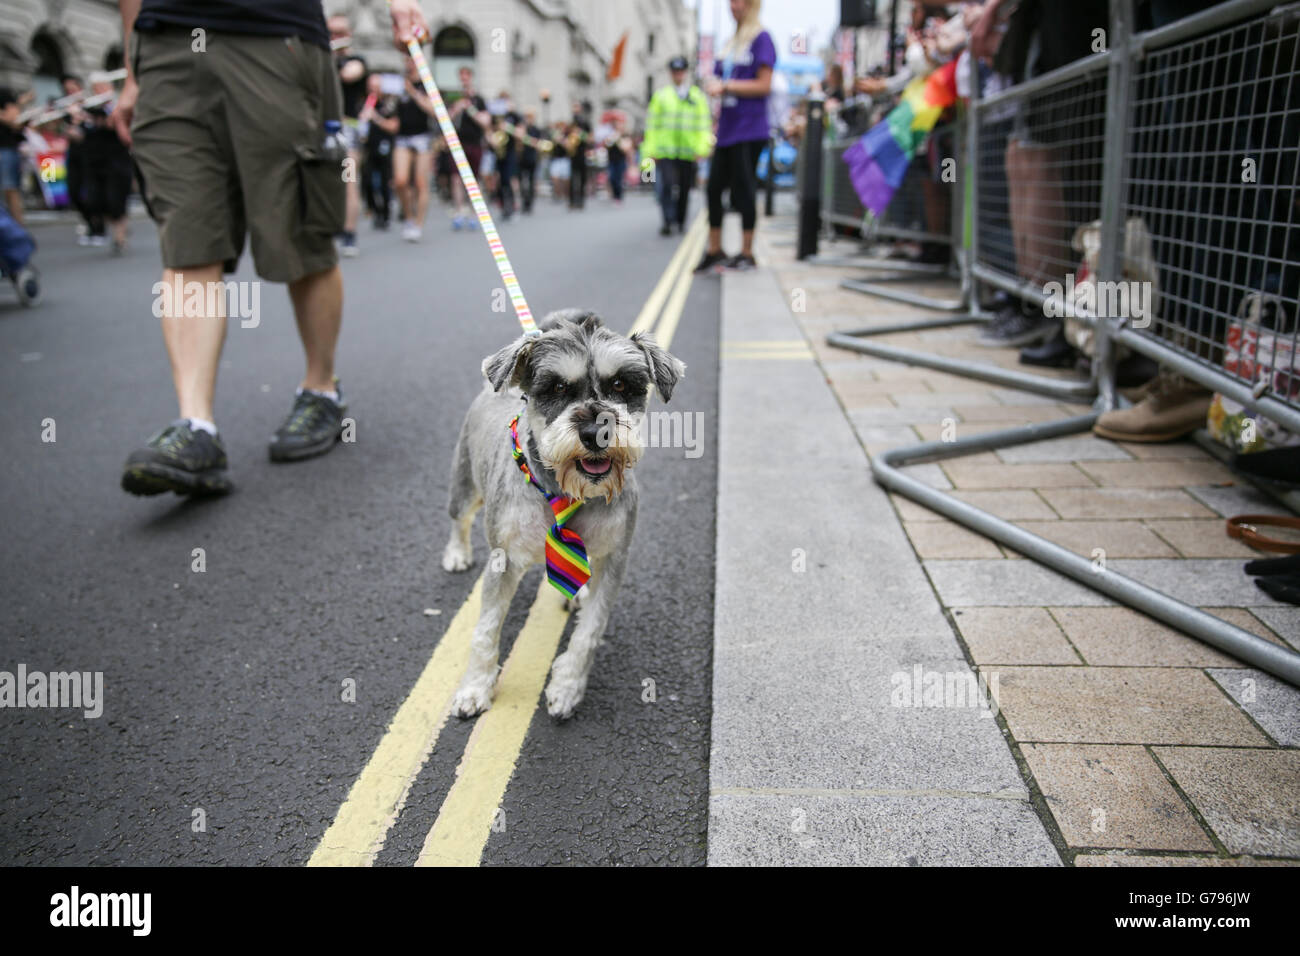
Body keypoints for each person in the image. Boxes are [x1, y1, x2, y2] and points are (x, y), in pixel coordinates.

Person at [113, 0, 429, 497]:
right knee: (187, 241)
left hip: (277, 35)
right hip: (166, 43)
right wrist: (134, 67)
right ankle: (196, 426)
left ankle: (320, 387)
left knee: (302, 234)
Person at [696, 0, 775, 273]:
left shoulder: (761, 38)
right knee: (714, 188)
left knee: (744, 189)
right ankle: (715, 250)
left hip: (750, 128)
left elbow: (764, 85)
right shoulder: (730, 44)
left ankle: (747, 252)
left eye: (739, 1)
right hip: (727, 129)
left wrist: (727, 85)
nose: (733, 6)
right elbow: (717, 79)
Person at [643, 55, 712, 236]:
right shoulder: (661, 96)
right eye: (675, 71)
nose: (678, 75)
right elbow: (652, 126)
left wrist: (702, 148)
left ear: (685, 73)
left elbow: (704, 125)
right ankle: (667, 221)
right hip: (665, 151)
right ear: (670, 73)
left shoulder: (697, 96)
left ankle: (680, 221)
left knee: (684, 189)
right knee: (665, 186)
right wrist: (651, 150)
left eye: (681, 71)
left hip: (688, 152)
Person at [328, 13, 367, 257]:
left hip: (348, 130)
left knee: (349, 180)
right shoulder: (320, 59)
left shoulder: (355, 60)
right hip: (324, 126)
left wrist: (331, 53)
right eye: (332, 33)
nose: (336, 37)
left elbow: (348, 74)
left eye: (340, 33)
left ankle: (349, 233)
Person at [393, 56, 436, 242]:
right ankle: (409, 218)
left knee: (420, 183)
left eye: (412, 60)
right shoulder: (399, 84)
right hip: (402, 137)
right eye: (406, 60)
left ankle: (418, 224)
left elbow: (434, 111)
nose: (408, 64)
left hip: (422, 137)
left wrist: (413, 92)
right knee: (400, 181)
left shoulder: (427, 85)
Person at [449, 66, 489, 230]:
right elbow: (446, 120)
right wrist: (457, 109)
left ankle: (474, 213)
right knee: (456, 179)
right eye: (461, 77)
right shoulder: (455, 98)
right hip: (458, 143)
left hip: (475, 143)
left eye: (466, 76)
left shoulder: (479, 99)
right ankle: (459, 212)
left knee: (474, 180)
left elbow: (486, 122)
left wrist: (470, 109)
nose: (464, 79)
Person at [359, 73, 398, 230]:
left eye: (376, 86)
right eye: (371, 87)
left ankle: (386, 214)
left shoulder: (388, 104)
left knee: (384, 182)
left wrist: (375, 117)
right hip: (367, 147)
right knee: (366, 181)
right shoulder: (364, 102)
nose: (373, 90)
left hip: (384, 146)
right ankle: (374, 210)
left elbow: (393, 126)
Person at [0, 88, 27, 225]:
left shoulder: (4, 95)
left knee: (10, 189)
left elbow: (15, 121)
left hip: (6, 150)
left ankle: (18, 226)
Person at [517, 107, 542, 214]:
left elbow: (539, 143)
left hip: (532, 158)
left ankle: (530, 203)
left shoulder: (536, 130)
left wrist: (532, 142)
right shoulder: (522, 129)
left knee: (531, 181)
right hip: (521, 158)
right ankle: (524, 201)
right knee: (522, 181)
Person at [567, 101, 591, 210]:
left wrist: (579, 134)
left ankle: (581, 201)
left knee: (582, 178)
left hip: (582, 153)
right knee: (572, 179)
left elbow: (590, 138)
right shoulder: (570, 123)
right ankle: (572, 201)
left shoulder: (585, 123)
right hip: (573, 154)